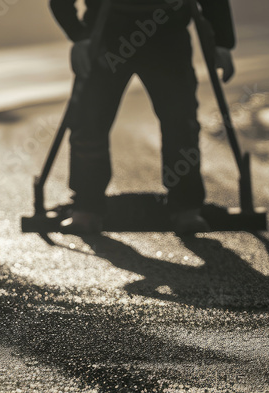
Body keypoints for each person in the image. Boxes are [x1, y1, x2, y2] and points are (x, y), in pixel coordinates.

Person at [49, 0, 237, 234]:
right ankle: (86, 208)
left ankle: (186, 209)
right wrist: (78, 36)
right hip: (107, 32)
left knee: (181, 122)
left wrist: (222, 42)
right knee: (90, 121)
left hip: (167, 31)